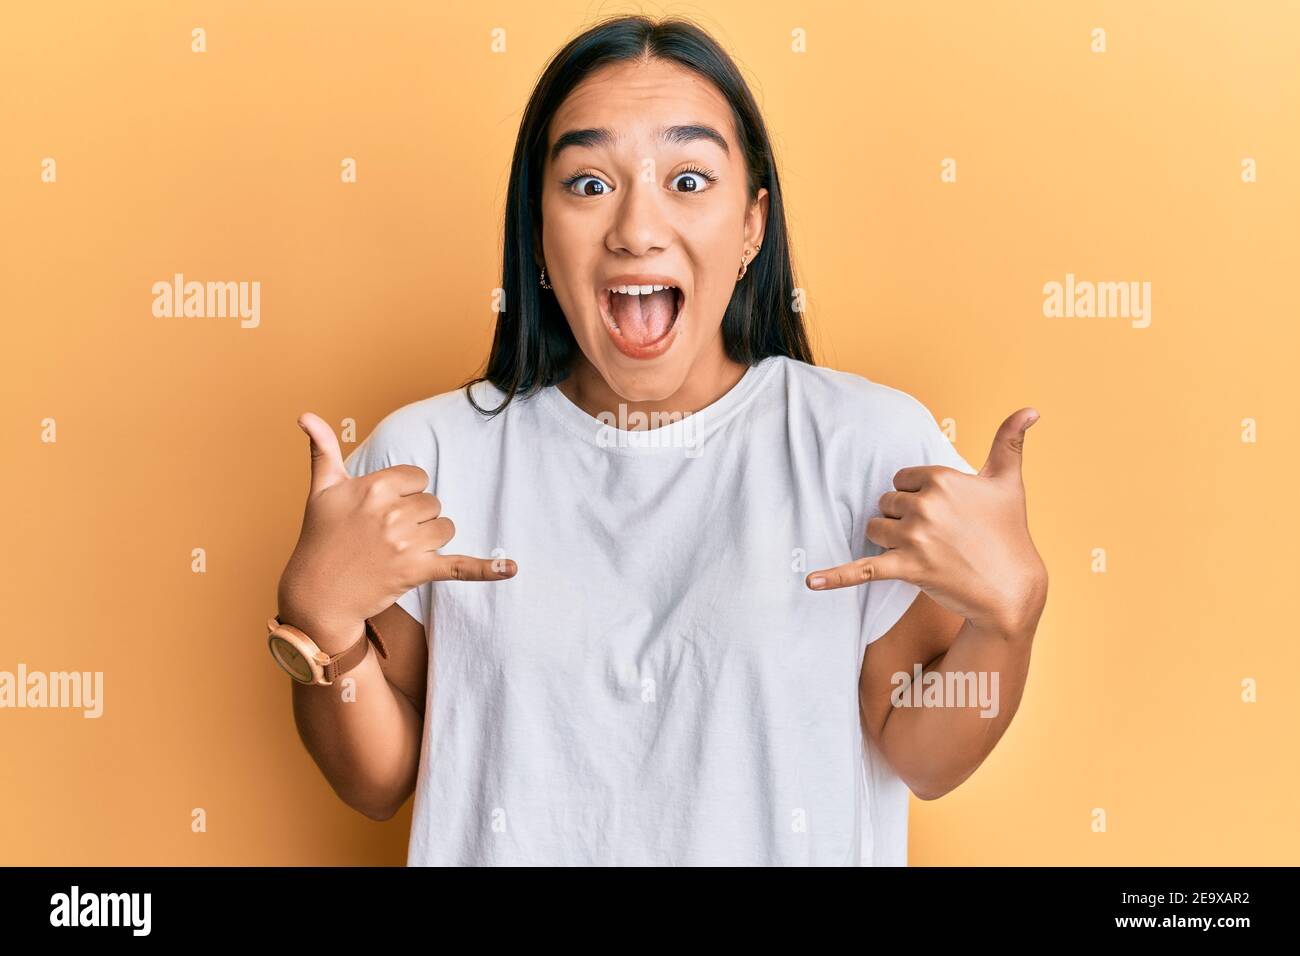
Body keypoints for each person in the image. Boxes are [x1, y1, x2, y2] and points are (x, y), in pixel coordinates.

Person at [273, 15, 1048, 866]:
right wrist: (320, 620)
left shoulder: (864, 442)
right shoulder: (431, 455)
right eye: (588, 184)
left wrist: (1008, 621)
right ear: (536, 230)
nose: (636, 228)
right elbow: (377, 783)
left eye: (687, 178)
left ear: (752, 226)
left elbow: (920, 757)